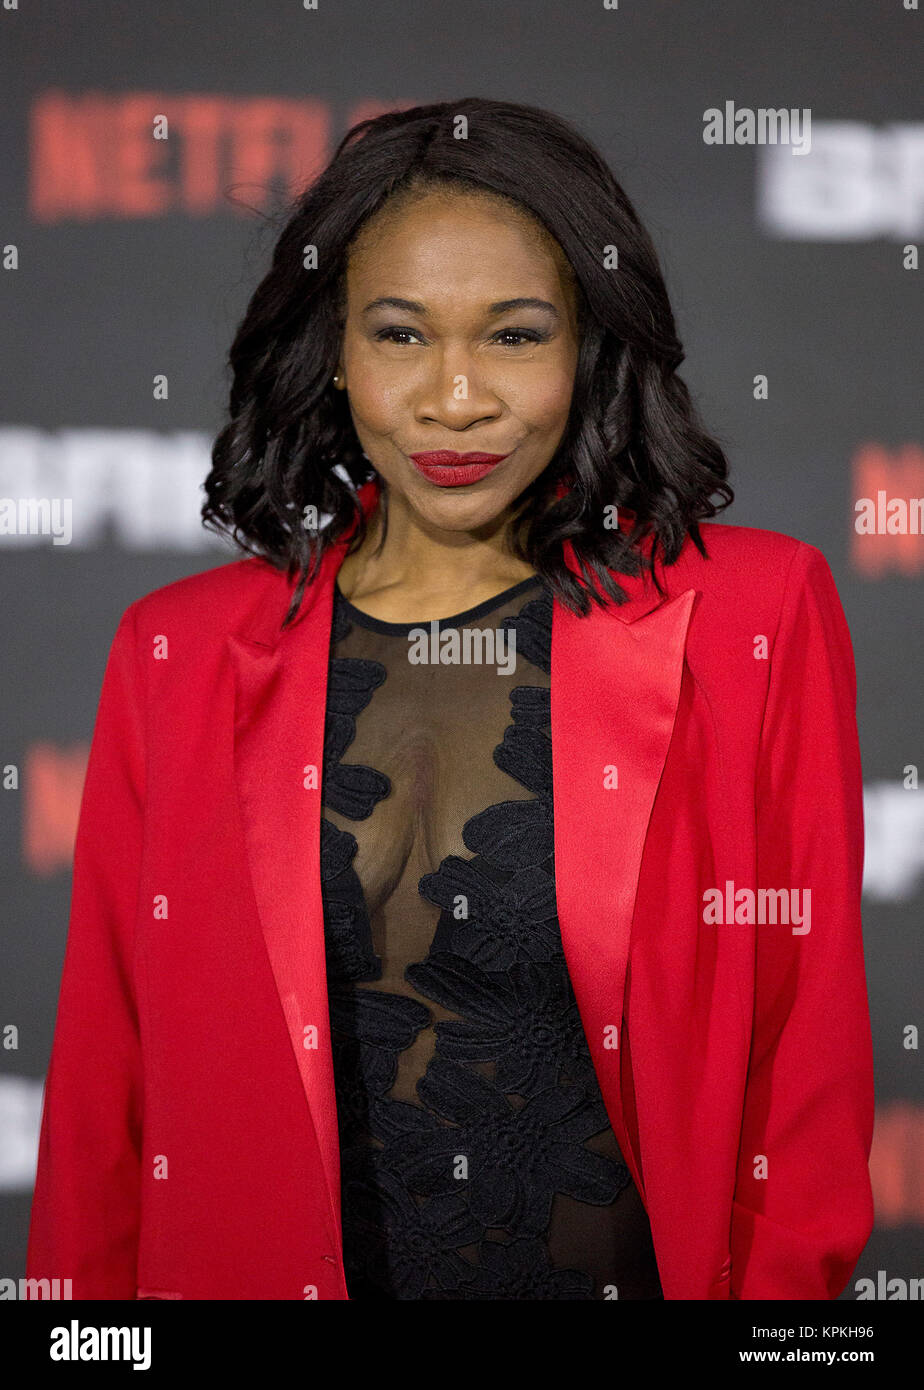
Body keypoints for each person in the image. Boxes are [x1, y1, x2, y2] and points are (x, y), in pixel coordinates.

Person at [26, 97, 874, 1300]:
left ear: (589, 345)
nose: (456, 399)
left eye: (515, 337)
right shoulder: (178, 651)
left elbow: (811, 1066)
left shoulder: (757, 614)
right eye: (402, 336)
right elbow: (105, 1111)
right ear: (334, 348)